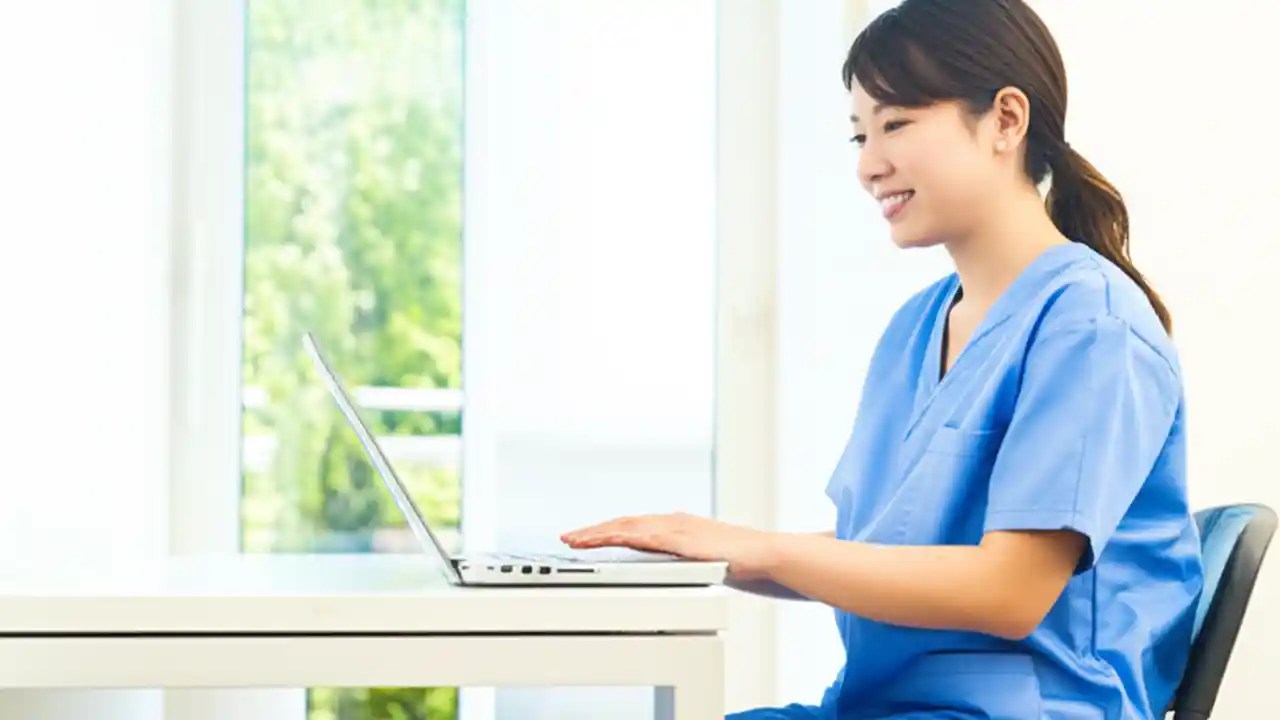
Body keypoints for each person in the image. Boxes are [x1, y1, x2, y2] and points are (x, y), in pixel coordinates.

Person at [561, 0, 1204, 718]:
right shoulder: (915, 328)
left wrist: (758, 548)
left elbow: (1010, 589)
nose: (870, 165)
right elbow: (887, 549)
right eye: (859, 135)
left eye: (896, 124)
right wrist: (701, 555)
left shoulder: (1091, 326)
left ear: (1006, 120)